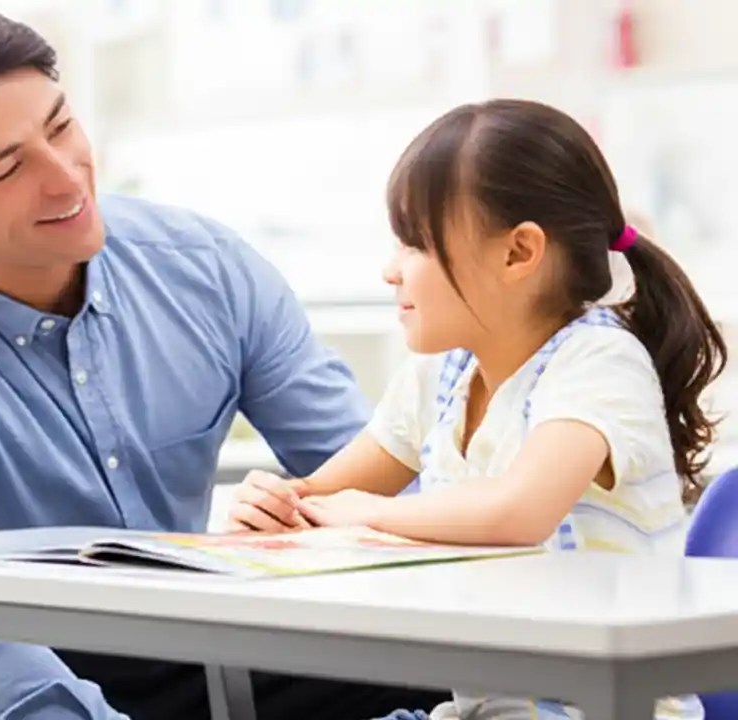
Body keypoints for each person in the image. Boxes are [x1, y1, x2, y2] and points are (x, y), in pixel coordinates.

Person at [0, 1, 450, 718]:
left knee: (471, 685)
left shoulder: (206, 270)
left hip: (201, 641)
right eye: (8, 169)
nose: (66, 178)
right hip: (12, 668)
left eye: (62, 127)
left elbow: (383, 493)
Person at [227, 99, 723, 719]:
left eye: (415, 245)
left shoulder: (600, 364)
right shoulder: (439, 376)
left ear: (518, 253)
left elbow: (520, 512)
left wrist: (364, 515)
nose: (390, 270)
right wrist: (270, 507)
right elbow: (316, 498)